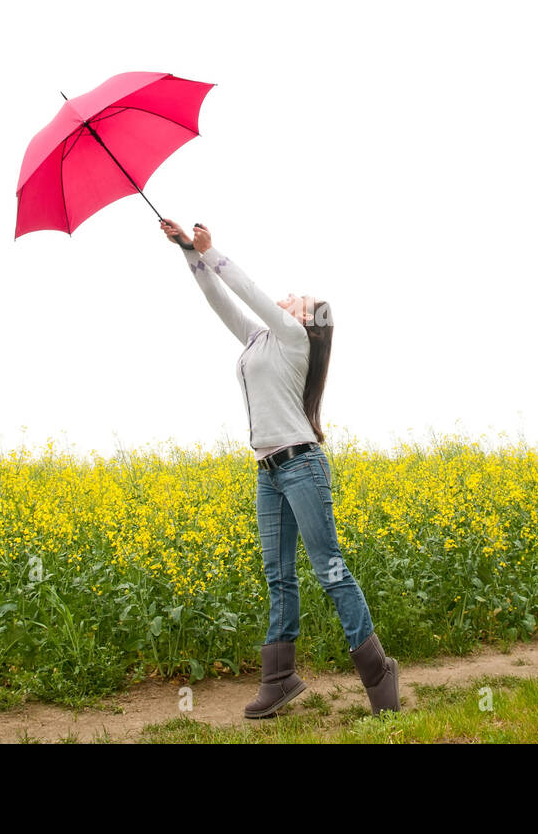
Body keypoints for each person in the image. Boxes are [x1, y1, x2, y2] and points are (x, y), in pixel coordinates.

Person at [160, 218, 400, 718]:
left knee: (330, 569)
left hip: (302, 465)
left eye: (301, 299)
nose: (291, 297)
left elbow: (249, 291)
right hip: (268, 471)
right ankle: (280, 678)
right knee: (278, 575)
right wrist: (190, 253)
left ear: (308, 321)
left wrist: (213, 249)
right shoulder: (258, 340)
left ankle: (378, 672)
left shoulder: (294, 339)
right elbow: (221, 299)